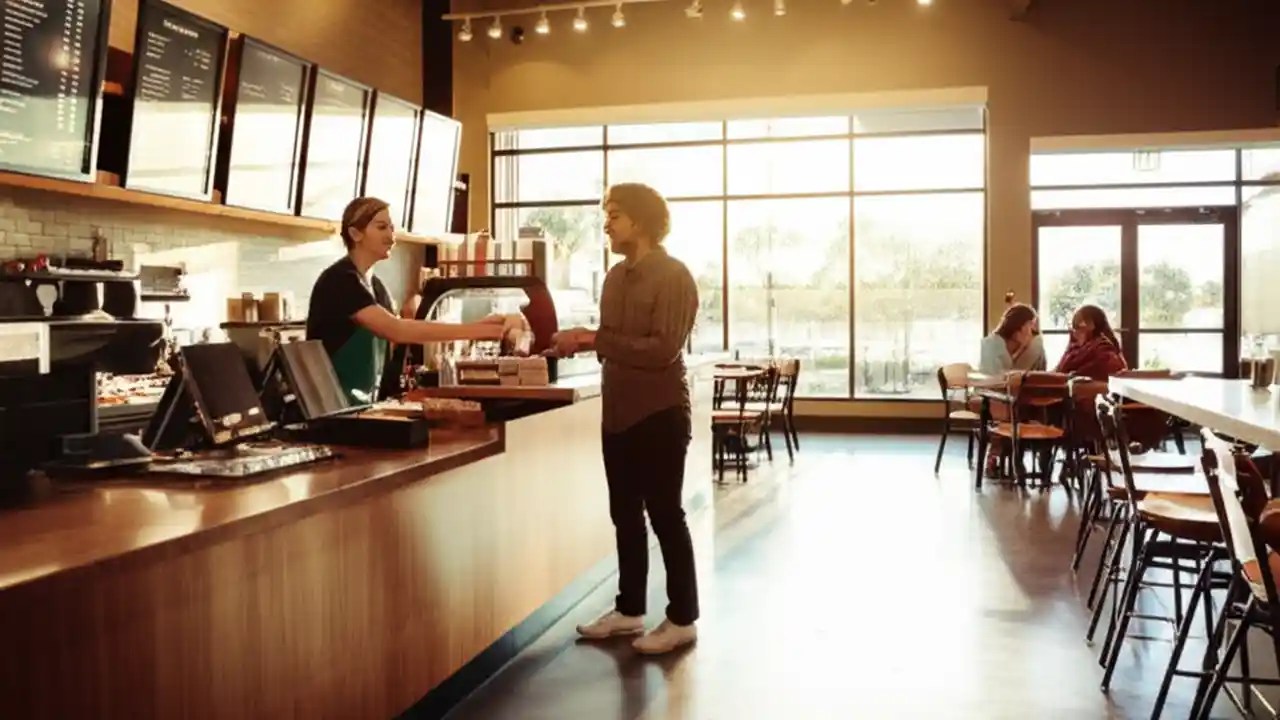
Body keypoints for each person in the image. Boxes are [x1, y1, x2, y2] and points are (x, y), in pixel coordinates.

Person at [551, 183, 700, 656]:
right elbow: (613, 344)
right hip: (616, 414)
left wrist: (592, 338)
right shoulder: (614, 277)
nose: (607, 224)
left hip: (659, 413)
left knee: (665, 515)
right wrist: (588, 342)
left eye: (615, 215)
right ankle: (630, 610)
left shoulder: (674, 276)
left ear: (640, 221)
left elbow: (663, 350)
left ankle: (682, 619)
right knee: (624, 515)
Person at [306, 196, 517, 404]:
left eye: (391, 228)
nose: (391, 237)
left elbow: (397, 340)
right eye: (381, 227)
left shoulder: (377, 287)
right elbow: (396, 329)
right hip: (331, 406)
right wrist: (485, 330)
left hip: (360, 407)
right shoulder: (340, 281)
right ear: (355, 233)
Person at [1054, 304, 1128, 380]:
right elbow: (1059, 371)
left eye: (1078, 326)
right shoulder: (1076, 349)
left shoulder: (1103, 349)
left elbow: (1068, 376)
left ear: (1092, 326)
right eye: (1074, 327)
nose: (1074, 332)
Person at [979, 302, 1046, 375]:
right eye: (1030, 326)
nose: (1032, 334)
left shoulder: (1009, 349)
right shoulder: (992, 344)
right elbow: (994, 378)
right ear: (1019, 326)